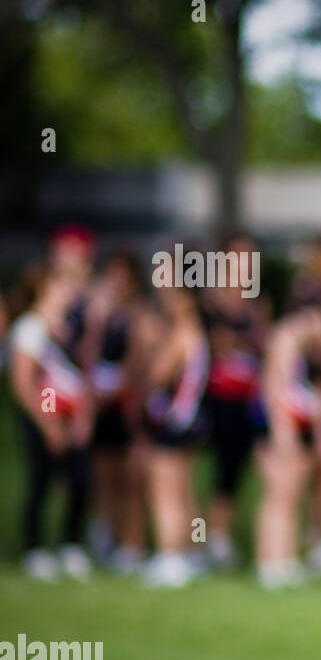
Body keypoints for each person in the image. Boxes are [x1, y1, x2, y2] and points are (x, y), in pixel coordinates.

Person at [252, 295, 321, 589]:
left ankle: (285, 558)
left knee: (293, 493)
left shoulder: (319, 346)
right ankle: (269, 562)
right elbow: (274, 387)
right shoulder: (287, 336)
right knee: (278, 492)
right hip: (277, 424)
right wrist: (283, 433)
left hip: (303, 423)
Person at [8, 268, 93, 581]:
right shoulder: (30, 328)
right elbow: (25, 381)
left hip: (72, 417)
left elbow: (81, 377)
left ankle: (71, 543)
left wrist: (83, 416)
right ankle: (35, 548)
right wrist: (48, 423)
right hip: (45, 417)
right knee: (41, 480)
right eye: (60, 287)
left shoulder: (70, 327)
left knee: (79, 482)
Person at [202, 234, 271, 568]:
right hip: (215, 397)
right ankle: (205, 539)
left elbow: (262, 345)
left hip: (249, 398)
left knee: (239, 470)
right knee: (215, 472)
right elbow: (218, 346)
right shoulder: (209, 301)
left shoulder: (257, 304)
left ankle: (224, 537)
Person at [139, 274, 210, 589]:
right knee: (183, 491)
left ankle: (171, 558)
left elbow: (157, 374)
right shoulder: (196, 332)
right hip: (188, 419)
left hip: (173, 420)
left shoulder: (181, 334)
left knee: (165, 492)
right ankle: (191, 552)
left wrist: (150, 344)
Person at [81, 250, 150, 573]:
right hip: (100, 401)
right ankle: (106, 534)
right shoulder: (98, 312)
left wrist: (122, 388)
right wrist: (96, 323)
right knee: (102, 474)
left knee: (130, 476)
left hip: (127, 403)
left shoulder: (141, 315)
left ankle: (131, 543)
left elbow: (139, 360)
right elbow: (86, 355)